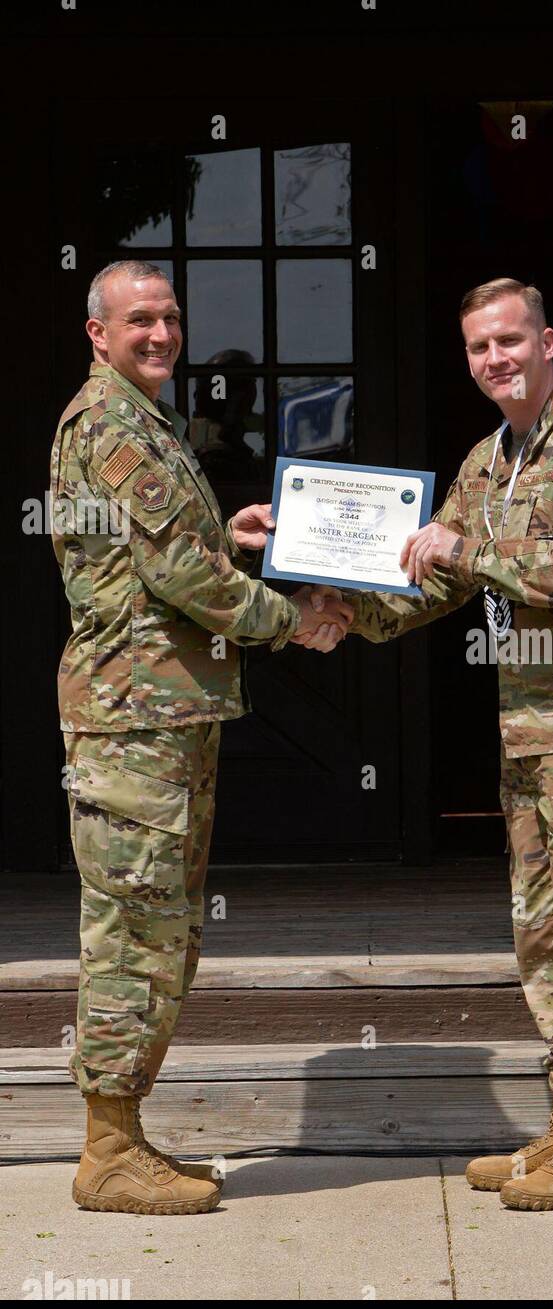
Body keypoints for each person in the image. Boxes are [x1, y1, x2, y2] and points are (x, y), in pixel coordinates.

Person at [323, 278, 553, 1210]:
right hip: (531, 738)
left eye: (511, 341)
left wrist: (464, 550)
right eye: (480, 348)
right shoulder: (490, 457)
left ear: (548, 340)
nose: (497, 360)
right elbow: (429, 583)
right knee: (547, 937)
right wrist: (327, 593)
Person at [51, 260, 348, 1215]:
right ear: (98, 332)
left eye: (170, 317)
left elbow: (158, 553)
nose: (160, 334)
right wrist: (286, 619)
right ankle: (107, 1152)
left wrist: (231, 533)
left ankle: (123, 1134)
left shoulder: (143, 424)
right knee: (133, 935)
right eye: (139, 320)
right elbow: (175, 574)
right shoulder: (106, 424)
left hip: (165, 713)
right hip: (136, 719)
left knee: (162, 935)